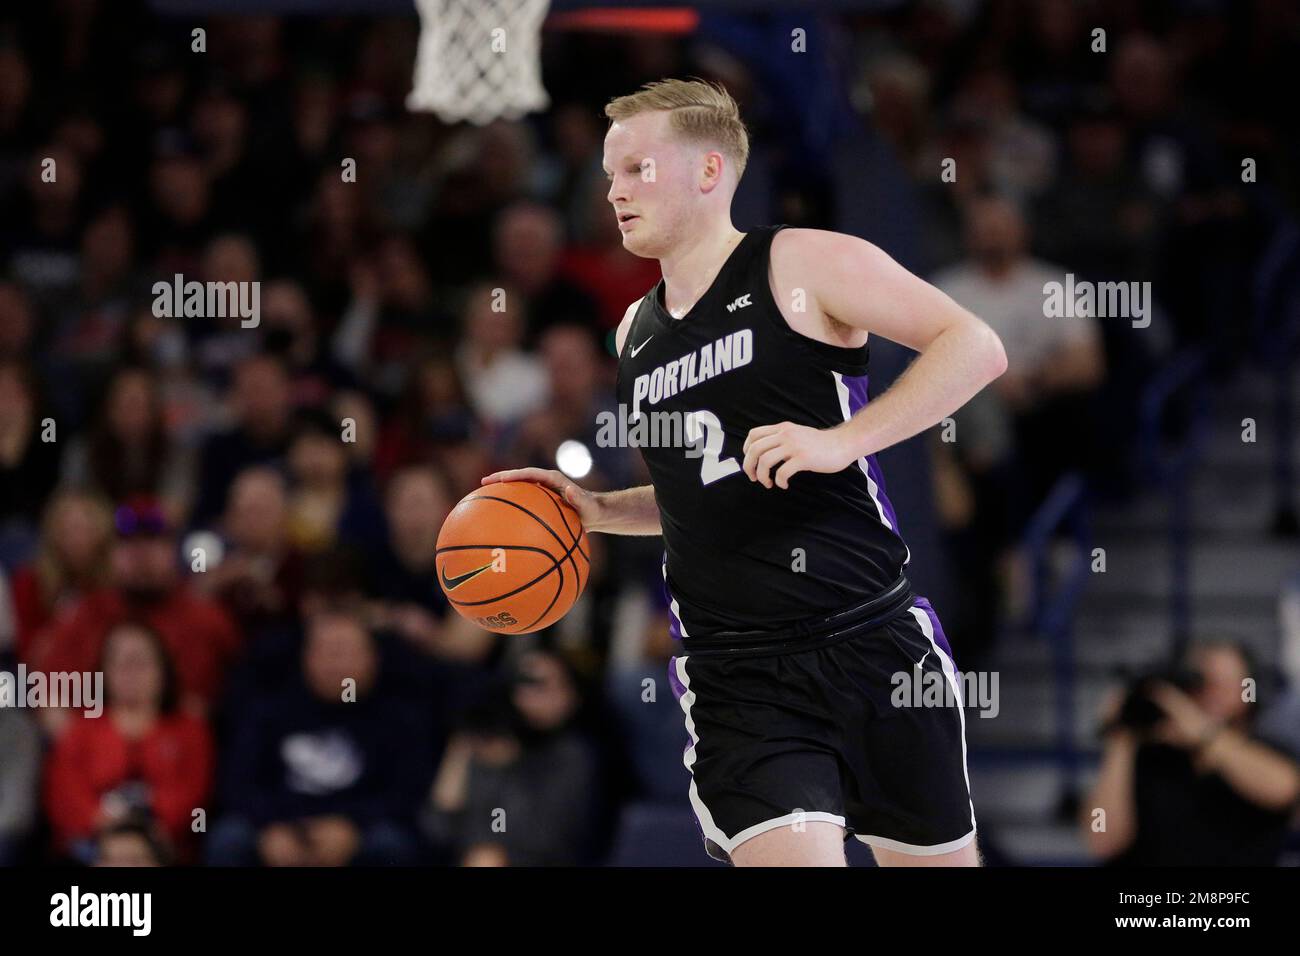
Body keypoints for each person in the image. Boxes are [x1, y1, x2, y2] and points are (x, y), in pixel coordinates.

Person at [482, 79, 1007, 867]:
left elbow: (974, 346)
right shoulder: (634, 331)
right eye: (608, 172)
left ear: (708, 171)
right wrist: (597, 509)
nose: (614, 191)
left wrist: (844, 440)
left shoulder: (803, 260)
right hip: (737, 674)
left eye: (636, 170)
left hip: (872, 638)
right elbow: (696, 492)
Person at [1081, 640, 1300, 866]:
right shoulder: (1148, 755)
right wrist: (1120, 739)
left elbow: (1284, 789)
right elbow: (1101, 837)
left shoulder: (1268, 749)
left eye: (1228, 683)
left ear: (1250, 690)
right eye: (1203, 681)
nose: (1215, 692)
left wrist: (1203, 733)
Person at [44, 621, 213, 864]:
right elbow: (63, 792)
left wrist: (151, 823)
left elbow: (196, 794)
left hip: (168, 841)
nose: (130, 672)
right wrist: (102, 822)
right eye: (120, 662)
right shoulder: (80, 729)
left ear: (162, 669)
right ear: (104, 671)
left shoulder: (189, 729)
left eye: (140, 662)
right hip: (92, 841)